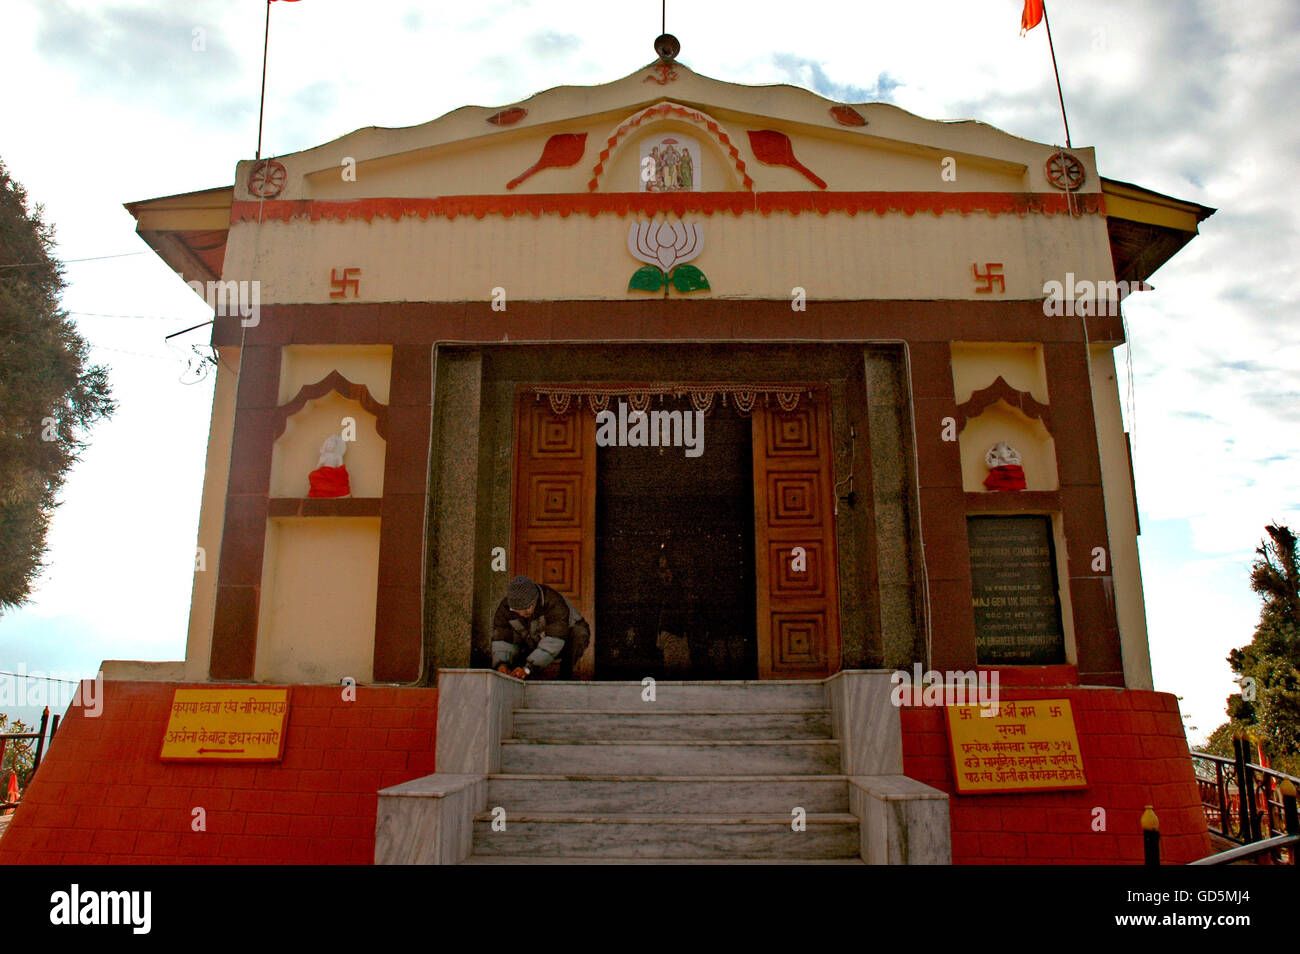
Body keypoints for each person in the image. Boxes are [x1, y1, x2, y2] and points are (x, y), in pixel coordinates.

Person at [491, 575, 590, 679]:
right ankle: (517, 678)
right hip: (532, 642)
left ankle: (565, 677)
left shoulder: (553, 602)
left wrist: (529, 668)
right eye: (519, 609)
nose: (524, 612)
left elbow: (554, 640)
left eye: (528, 607)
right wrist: (501, 665)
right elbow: (502, 639)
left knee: (579, 633)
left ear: (536, 599)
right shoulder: (505, 609)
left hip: (561, 641)